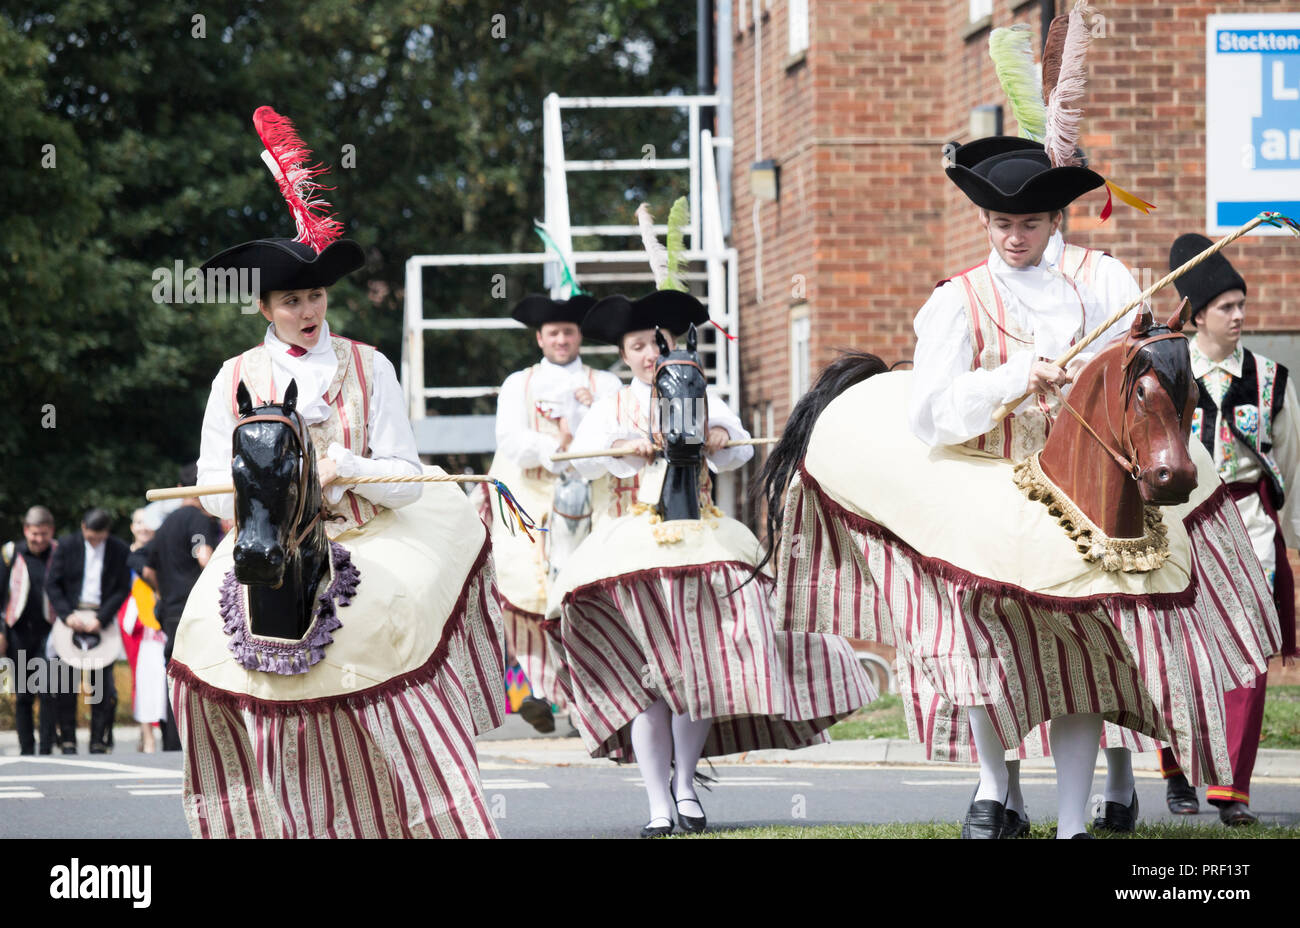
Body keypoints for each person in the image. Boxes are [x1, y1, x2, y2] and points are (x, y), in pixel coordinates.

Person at [170, 106, 504, 838]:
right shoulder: (235, 375)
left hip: (369, 535)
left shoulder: (368, 365)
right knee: (195, 643)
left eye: (316, 295)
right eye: (292, 299)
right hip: (265, 538)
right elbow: (204, 480)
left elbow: (405, 477)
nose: (307, 309)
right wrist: (269, 488)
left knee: (394, 623)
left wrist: (347, 467)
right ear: (265, 306)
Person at [549, 213, 872, 837]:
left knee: (695, 671)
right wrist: (627, 444)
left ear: (677, 346)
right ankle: (657, 805)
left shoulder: (700, 389)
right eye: (638, 346)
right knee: (646, 678)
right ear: (623, 355)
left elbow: (740, 450)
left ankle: (685, 786)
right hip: (628, 549)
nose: (651, 355)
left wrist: (719, 434)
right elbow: (585, 459)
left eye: (659, 343)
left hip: (701, 540)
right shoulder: (611, 403)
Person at [1151, 235, 1299, 825]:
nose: (1238, 316)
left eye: (1242, 304)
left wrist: (1277, 524)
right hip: (1182, 525)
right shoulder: (1166, 369)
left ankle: (1232, 790)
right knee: (1180, 656)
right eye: (1225, 307)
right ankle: (1178, 772)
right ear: (1196, 313)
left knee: (1247, 657)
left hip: (1250, 526)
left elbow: (1285, 461)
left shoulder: (1272, 379)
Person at [488, 289, 620, 733]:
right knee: (525, 596)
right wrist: (556, 447)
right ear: (540, 339)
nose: (561, 339)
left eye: (568, 331)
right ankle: (545, 692)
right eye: (553, 333)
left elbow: (619, 433)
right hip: (528, 502)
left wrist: (587, 417)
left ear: (578, 335)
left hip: (591, 501)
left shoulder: (606, 385)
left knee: (587, 594)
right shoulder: (517, 384)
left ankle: (593, 695)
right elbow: (511, 440)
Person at [144, 464, 222, 751]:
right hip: (194, 608)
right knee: (199, 672)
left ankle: (172, 740)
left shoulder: (166, 523)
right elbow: (204, 556)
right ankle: (196, 740)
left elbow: (144, 564)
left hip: (170, 607)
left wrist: (162, 590)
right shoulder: (199, 520)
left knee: (174, 671)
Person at [44, 507, 131, 754]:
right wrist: (66, 615)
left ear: (106, 533)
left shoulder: (118, 549)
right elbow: (53, 584)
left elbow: (122, 588)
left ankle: (98, 738)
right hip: (71, 616)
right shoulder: (68, 545)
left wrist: (102, 618)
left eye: (99, 537)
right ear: (83, 527)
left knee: (101, 683)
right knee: (66, 681)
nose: (94, 541)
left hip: (100, 618)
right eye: (91, 536)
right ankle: (68, 738)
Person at [1, 506, 59, 754]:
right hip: (19, 632)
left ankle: (46, 748)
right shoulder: (10, 553)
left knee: (49, 693)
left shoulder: (59, 553)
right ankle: (27, 749)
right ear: (26, 530)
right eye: (34, 534)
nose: (38, 539)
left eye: (43, 534)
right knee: (24, 695)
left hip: (50, 632)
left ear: (51, 532)